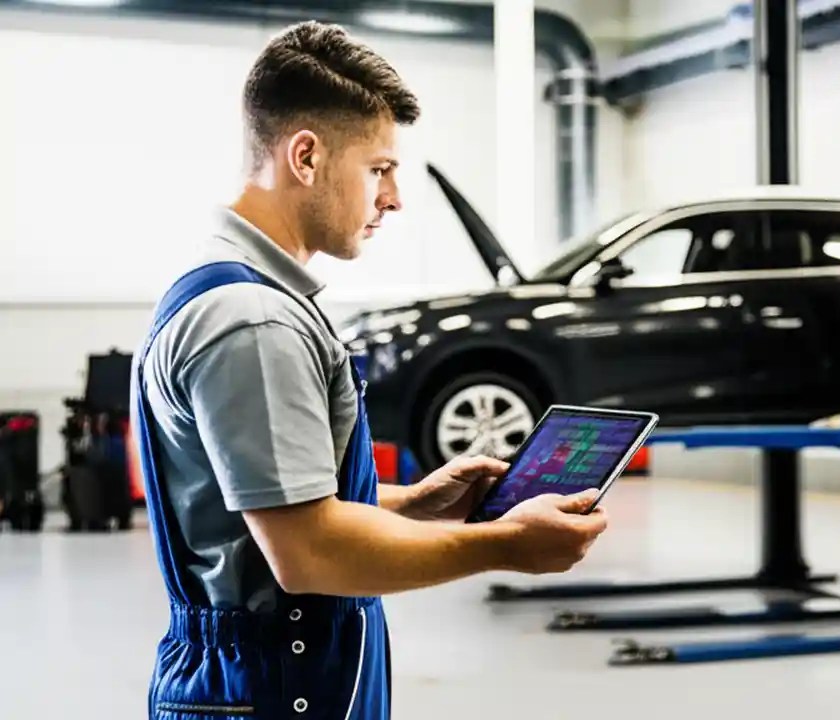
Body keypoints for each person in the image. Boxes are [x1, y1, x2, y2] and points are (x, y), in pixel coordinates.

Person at [131, 20, 608, 719]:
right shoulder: (253, 320)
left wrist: (412, 502)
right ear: (306, 156)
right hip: (273, 689)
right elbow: (309, 552)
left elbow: (268, 507)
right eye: (379, 168)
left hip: (270, 678)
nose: (393, 197)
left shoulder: (236, 291)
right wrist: (505, 546)